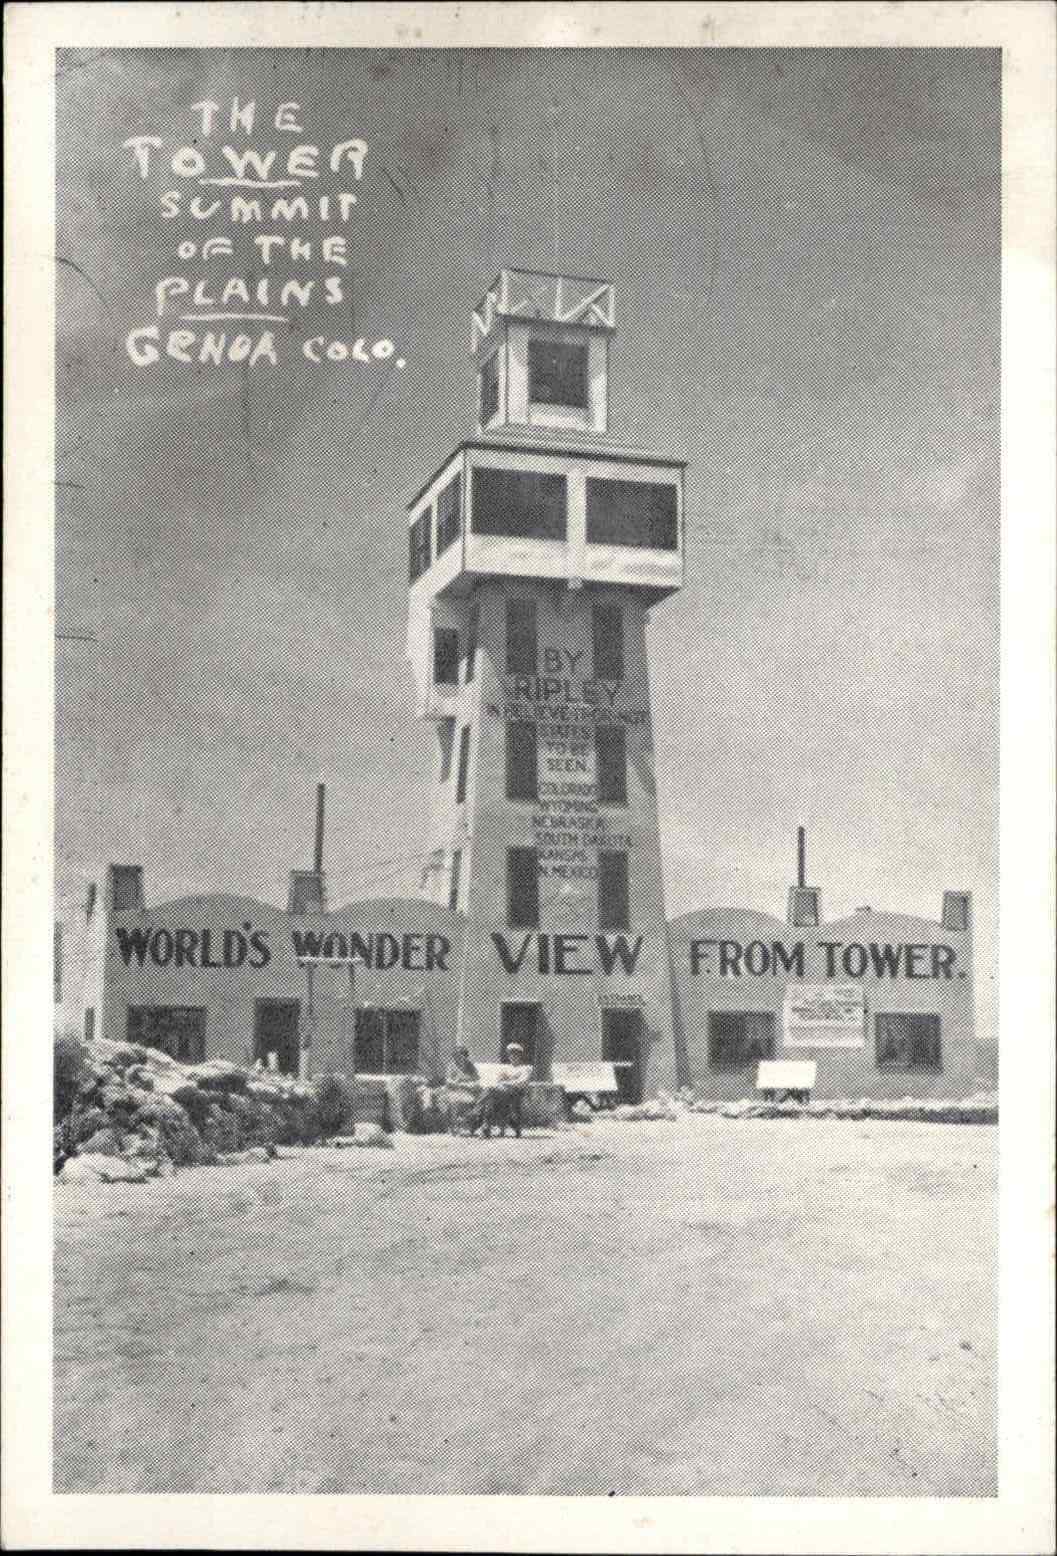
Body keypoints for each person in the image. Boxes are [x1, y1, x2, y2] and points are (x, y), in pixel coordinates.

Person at [474, 1042, 533, 1138]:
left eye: (515, 1054)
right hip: (503, 1092)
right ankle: (486, 1128)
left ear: (520, 1056)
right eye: (511, 1054)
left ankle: (477, 1112)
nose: (513, 1056)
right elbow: (498, 1080)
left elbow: (523, 1082)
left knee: (490, 1090)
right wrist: (507, 1082)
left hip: (515, 1094)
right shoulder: (506, 1068)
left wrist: (507, 1083)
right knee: (490, 1099)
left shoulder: (525, 1068)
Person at [444, 1045, 480, 1136]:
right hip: (454, 1091)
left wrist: (465, 1084)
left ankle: (468, 1125)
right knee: (454, 1101)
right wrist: (457, 1083)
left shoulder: (470, 1066)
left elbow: (476, 1080)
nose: (458, 1058)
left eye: (461, 1056)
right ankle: (455, 1126)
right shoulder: (452, 1065)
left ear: (465, 1056)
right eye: (456, 1056)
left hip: (467, 1092)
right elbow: (448, 1080)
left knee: (471, 1101)